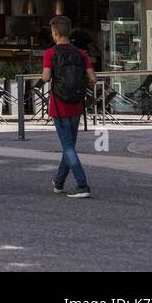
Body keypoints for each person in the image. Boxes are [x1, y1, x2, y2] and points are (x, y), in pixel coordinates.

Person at [42, 14, 95, 199]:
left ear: (55, 33)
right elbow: (93, 78)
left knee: (68, 147)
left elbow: (46, 77)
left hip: (59, 105)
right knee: (69, 145)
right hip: (77, 105)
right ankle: (59, 182)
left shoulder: (50, 53)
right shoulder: (81, 53)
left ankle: (82, 184)